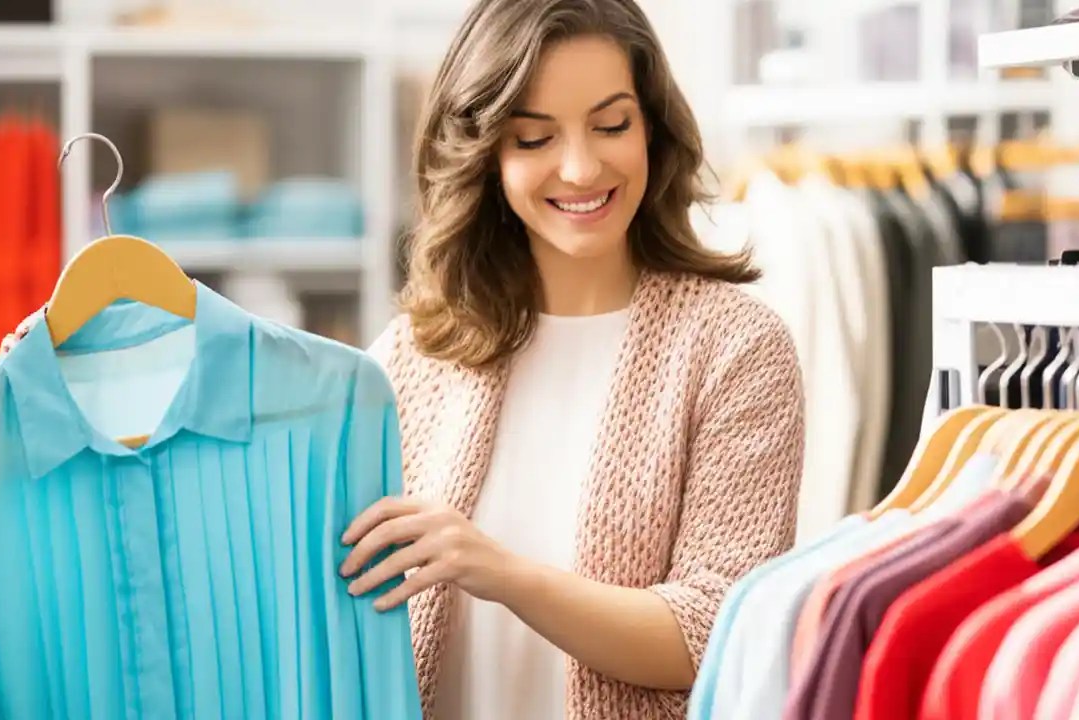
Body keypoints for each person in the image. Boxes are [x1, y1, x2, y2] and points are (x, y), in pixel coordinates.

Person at [337, 0, 806, 718]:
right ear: (485, 153)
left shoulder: (736, 350)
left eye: (612, 125)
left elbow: (719, 629)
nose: (581, 167)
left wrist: (498, 571)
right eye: (533, 139)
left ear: (653, 126)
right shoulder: (412, 354)